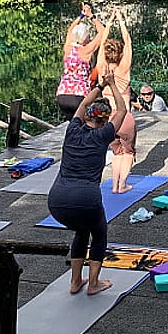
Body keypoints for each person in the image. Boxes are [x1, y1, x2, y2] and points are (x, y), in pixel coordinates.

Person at [47, 71, 128, 296]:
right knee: (99, 233)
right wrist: (113, 84)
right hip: (86, 199)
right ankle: (93, 283)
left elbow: (83, 103)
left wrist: (100, 86)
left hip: (56, 201)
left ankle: (75, 282)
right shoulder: (103, 135)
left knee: (82, 232)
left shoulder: (72, 130)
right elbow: (122, 110)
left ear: (88, 117)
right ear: (104, 121)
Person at [96, 8, 137, 193]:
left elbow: (102, 43)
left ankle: (114, 185)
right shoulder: (123, 69)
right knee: (128, 152)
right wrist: (120, 19)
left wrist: (109, 22)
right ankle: (122, 185)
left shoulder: (102, 69)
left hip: (106, 119)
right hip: (123, 117)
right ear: (120, 54)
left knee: (116, 152)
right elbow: (128, 42)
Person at [56, 2, 107, 121]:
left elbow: (70, 30)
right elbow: (103, 32)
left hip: (62, 95)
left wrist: (81, 16)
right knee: (81, 124)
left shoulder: (68, 48)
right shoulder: (87, 50)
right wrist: (91, 16)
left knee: (71, 124)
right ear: (85, 37)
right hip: (80, 96)